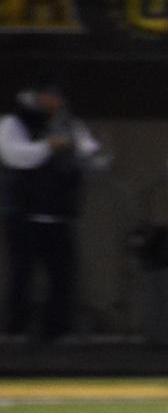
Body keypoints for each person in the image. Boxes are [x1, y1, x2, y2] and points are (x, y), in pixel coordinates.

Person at [2, 80, 104, 341]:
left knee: (62, 276)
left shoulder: (72, 125)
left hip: (60, 215)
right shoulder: (14, 124)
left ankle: (56, 330)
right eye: (48, 96)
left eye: (58, 97)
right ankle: (18, 329)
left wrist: (95, 158)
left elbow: (89, 153)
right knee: (22, 273)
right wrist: (48, 146)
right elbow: (14, 156)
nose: (54, 103)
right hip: (24, 215)